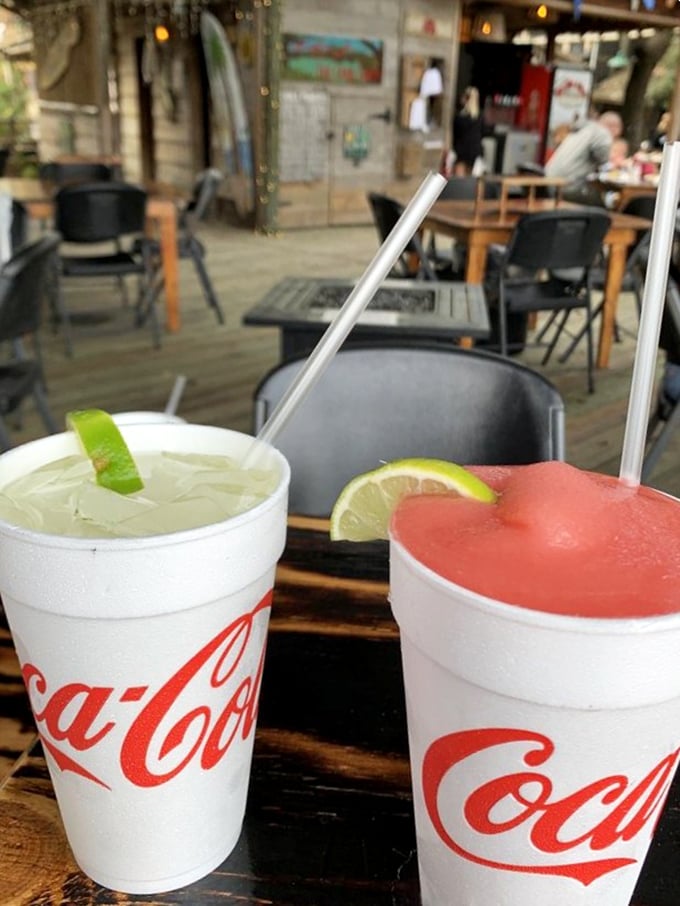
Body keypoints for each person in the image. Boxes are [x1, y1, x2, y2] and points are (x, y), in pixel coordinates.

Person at [545, 110, 623, 197]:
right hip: (565, 187)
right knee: (601, 201)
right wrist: (616, 164)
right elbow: (603, 163)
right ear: (614, 127)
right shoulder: (602, 133)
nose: (618, 133)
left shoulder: (583, 130)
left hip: (548, 182)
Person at [452, 87, 483, 176]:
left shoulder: (460, 117)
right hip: (475, 151)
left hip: (461, 151)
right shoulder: (480, 116)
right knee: (472, 179)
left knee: (459, 179)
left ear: (466, 99)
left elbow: (456, 134)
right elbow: (483, 132)